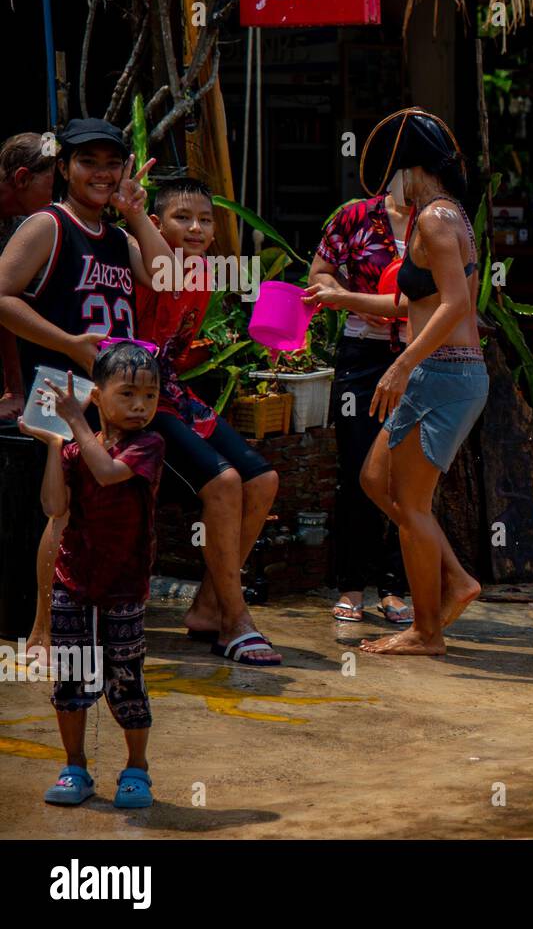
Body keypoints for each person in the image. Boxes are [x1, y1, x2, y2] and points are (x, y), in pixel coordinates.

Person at [304, 109, 486, 655]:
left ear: (411, 169)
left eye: (394, 174)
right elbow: (411, 301)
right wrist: (340, 298)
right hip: (440, 370)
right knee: (374, 479)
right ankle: (456, 578)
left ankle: (426, 632)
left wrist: (402, 365)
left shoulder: (434, 217)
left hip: (443, 372)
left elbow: (456, 305)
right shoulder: (447, 215)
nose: (390, 188)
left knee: (410, 505)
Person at [0, 118, 169, 667]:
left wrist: (138, 212)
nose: (101, 173)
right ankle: (43, 629)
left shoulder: (118, 236)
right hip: (60, 383)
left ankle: (88, 621)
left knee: (106, 508)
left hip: (115, 394)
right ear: (65, 167)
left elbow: (167, 277)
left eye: (110, 163)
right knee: (64, 512)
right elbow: (2, 296)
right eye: (88, 162)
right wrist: (69, 343)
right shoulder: (47, 225)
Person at [134, 178, 282, 665]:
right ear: (155, 224)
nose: (196, 228)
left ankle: (207, 605)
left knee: (264, 480)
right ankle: (236, 621)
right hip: (137, 398)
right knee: (225, 483)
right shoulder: (142, 257)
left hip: (172, 391)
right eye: (182, 218)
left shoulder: (203, 270)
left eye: (205, 219)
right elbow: (160, 277)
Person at [19, 343, 165, 808]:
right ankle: (75, 767)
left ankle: (136, 769)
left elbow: (105, 473)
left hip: (122, 589)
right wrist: (55, 442)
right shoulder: (78, 445)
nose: (140, 406)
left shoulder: (147, 445)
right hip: (74, 582)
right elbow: (54, 507)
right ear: (97, 396)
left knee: (126, 681)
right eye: (127, 395)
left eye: (150, 395)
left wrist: (74, 424)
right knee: (70, 681)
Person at [309, 178, 413, 624]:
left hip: (420, 353)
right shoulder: (354, 218)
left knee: (409, 471)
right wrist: (353, 301)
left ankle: (396, 586)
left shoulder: (440, 221)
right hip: (363, 354)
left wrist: (356, 298)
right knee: (357, 468)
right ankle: (351, 584)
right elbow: (319, 275)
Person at [0, 133, 57, 420]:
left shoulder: (19, 226)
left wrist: (15, 390)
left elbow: (8, 308)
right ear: (22, 179)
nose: (58, 198)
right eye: (52, 186)